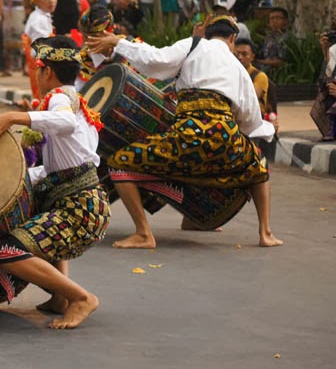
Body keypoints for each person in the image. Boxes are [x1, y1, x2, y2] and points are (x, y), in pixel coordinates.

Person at [86, 15, 284, 248]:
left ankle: (143, 234)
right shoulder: (238, 68)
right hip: (226, 140)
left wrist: (118, 42)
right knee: (258, 165)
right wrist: (266, 128)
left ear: (205, 33)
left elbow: (154, 59)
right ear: (232, 38)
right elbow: (250, 121)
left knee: (120, 163)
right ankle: (265, 233)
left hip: (187, 137)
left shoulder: (194, 45)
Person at [0, 35, 109, 329]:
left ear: (47, 71)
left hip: (79, 208)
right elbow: (57, 167)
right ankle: (60, 296)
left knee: (5, 252)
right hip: (87, 205)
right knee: (46, 211)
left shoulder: (60, 99)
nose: (35, 74)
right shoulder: (78, 103)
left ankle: (81, 298)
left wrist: (14, 117)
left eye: (36, 68)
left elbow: (64, 123)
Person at [22, 0, 58, 100]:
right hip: (42, 70)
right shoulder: (38, 19)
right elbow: (39, 50)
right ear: (36, 0)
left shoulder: (41, 16)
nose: (51, 1)